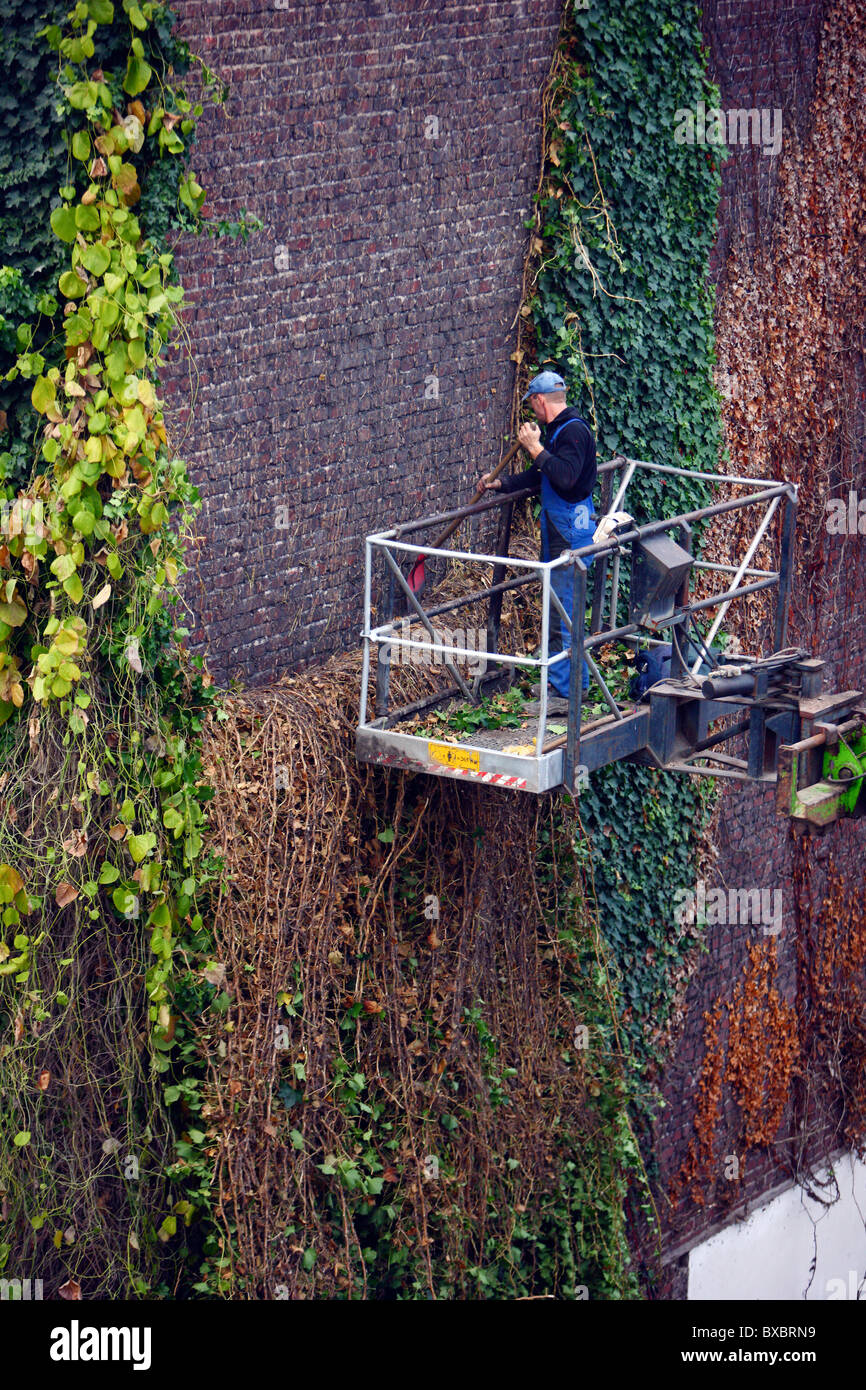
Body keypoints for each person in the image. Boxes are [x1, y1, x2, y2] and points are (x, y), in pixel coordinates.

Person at [480, 371, 597, 698]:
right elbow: (540, 475)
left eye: (532, 404)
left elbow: (565, 478)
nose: (532, 412)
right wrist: (501, 483)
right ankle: (572, 683)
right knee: (562, 610)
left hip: (569, 532)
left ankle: (564, 692)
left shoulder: (572, 433)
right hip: (564, 528)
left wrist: (534, 447)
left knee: (562, 612)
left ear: (539, 400)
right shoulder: (561, 430)